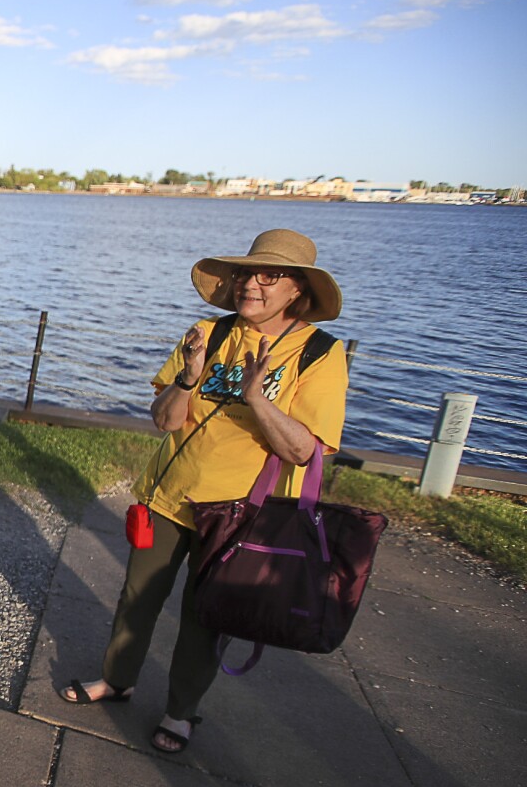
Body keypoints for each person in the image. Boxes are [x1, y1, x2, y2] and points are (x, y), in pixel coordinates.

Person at [60, 229, 348, 754]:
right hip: (171, 499)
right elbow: (163, 419)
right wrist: (190, 379)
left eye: (269, 275)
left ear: (298, 291)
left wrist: (258, 399)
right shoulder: (208, 334)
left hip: (243, 512)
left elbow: (305, 450)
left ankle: (180, 711)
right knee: (136, 599)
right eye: (245, 273)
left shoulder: (319, 355)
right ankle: (118, 680)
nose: (250, 285)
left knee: (205, 617)